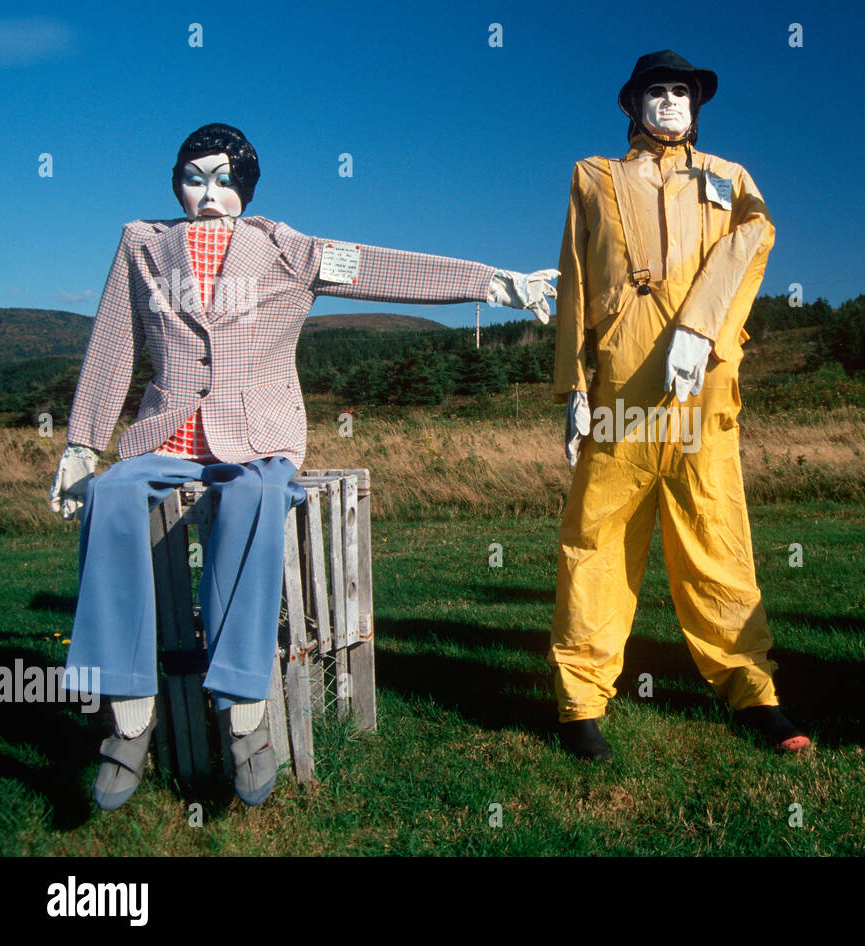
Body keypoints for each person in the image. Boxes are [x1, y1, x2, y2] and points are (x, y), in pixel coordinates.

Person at [49, 123, 557, 808]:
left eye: (224, 179)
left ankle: (245, 715)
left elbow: (383, 268)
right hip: (166, 434)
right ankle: (129, 715)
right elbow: (112, 344)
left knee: (253, 508)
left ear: (246, 188)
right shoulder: (142, 246)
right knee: (110, 503)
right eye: (194, 177)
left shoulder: (288, 249)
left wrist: (494, 283)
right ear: (176, 182)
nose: (207, 193)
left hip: (257, 435)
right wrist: (82, 444)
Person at [548, 51, 810, 761]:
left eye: (682, 92)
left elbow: (755, 240)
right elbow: (574, 278)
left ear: (697, 106)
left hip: (701, 387)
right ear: (632, 104)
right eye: (655, 91)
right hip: (620, 387)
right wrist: (573, 387)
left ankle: (753, 692)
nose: (669, 101)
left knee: (717, 542)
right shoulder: (592, 176)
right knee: (597, 544)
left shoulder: (731, 179)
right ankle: (579, 703)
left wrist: (703, 327)